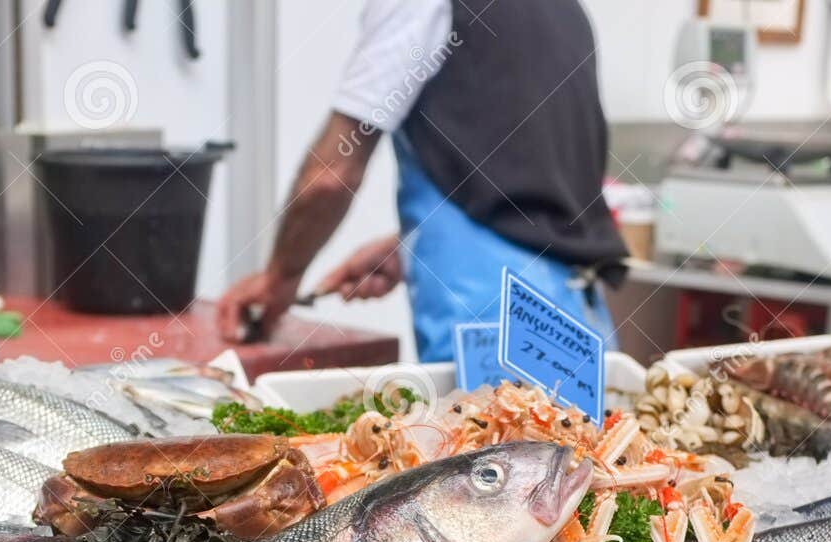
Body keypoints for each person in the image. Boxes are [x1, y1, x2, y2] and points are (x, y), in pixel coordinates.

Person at [217, 0, 626, 364]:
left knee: (489, 449)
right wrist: (414, 245)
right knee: (587, 448)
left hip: (497, 326)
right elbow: (526, 173)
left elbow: (331, 174)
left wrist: (279, 278)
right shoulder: (567, 10)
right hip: (581, 319)